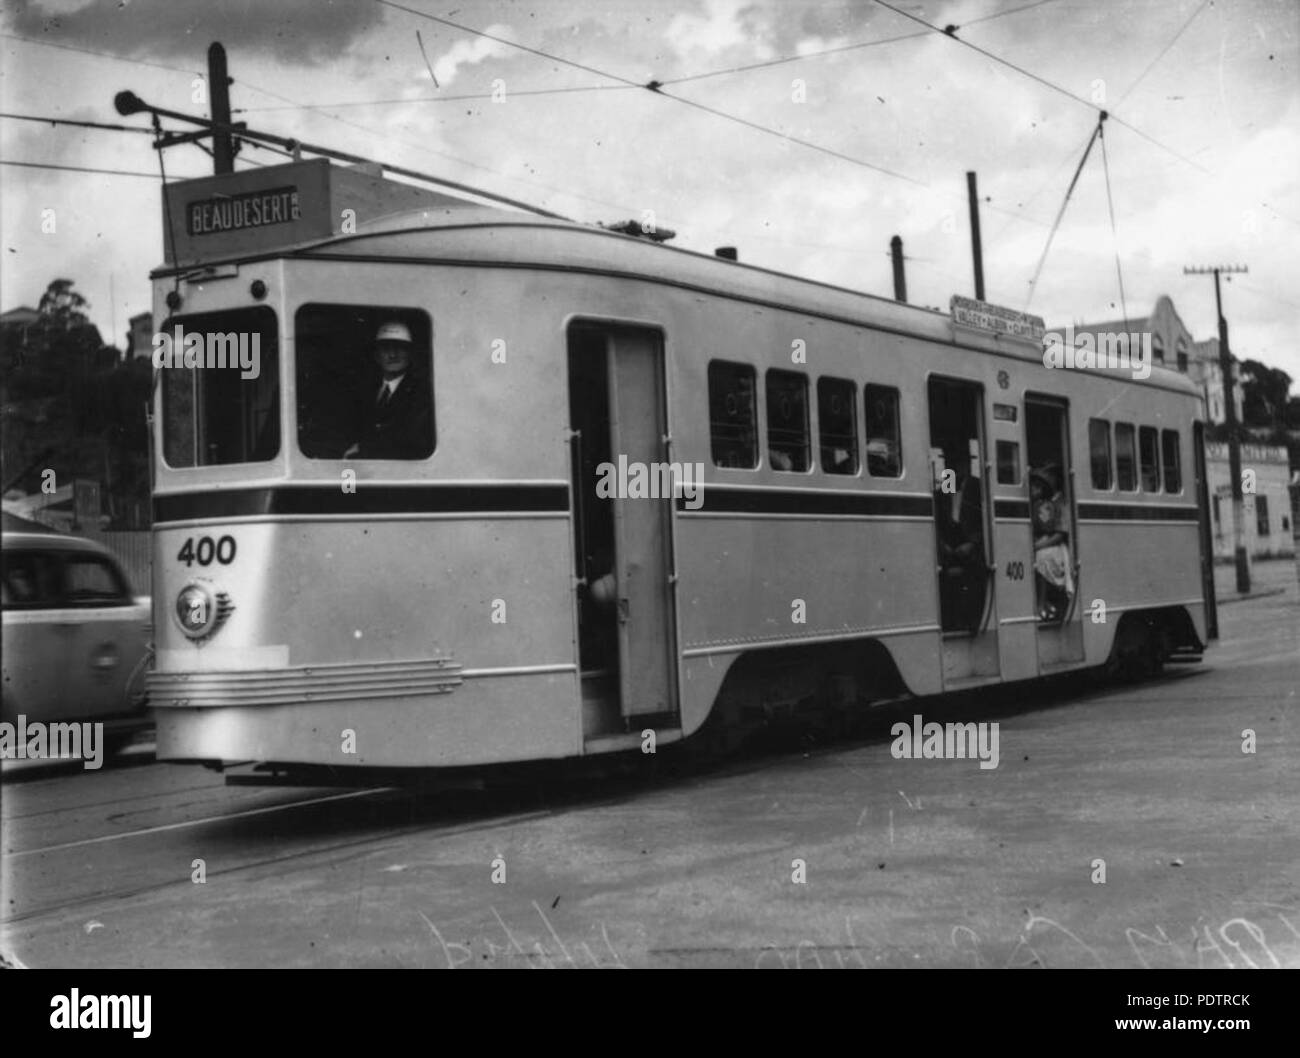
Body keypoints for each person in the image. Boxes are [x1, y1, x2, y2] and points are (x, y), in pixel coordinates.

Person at [343, 321, 434, 460]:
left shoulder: (422, 392)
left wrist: (364, 448)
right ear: (376, 355)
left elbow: (413, 440)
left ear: (410, 353)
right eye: (386, 348)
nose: (392, 355)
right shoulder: (367, 390)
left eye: (400, 348)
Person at [934, 451, 987, 631]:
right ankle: (952, 622)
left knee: (973, 576)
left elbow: (985, 521)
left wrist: (972, 544)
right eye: (950, 466)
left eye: (958, 465)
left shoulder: (977, 487)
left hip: (973, 545)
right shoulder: (948, 484)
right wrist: (943, 545)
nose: (954, 469)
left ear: (966, 465)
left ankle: (970, 622)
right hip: (951, 543)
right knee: (944, 580)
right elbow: (940, 520)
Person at [1031, 466, 1074, 621]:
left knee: (1043, 557)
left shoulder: (1060, 503)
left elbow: (1060, 535)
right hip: (1043, 542)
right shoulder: (1043, 504)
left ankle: (1042, 603)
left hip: (1055, 546)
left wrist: (1039, 545)